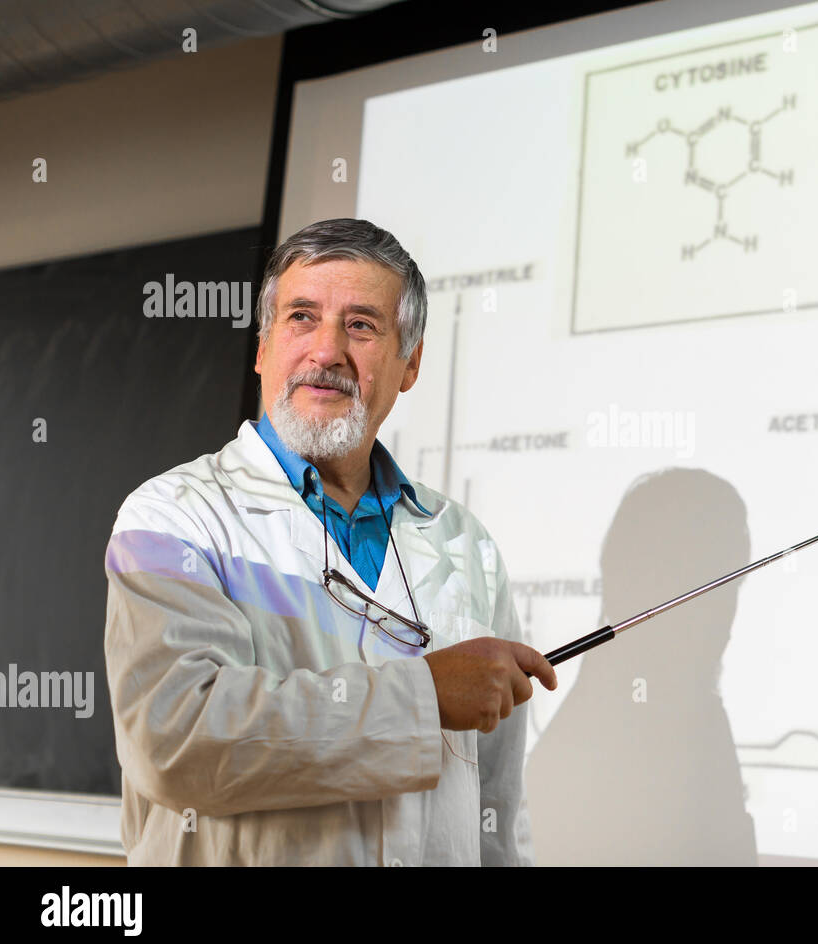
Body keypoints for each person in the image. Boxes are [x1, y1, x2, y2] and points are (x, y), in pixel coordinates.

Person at [102, 218, 556, 865]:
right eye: (301, 318)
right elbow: (175, 739)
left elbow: (498, 812)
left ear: (411, 364)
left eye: (362, 325)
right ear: (262, 348)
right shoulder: (171, 518)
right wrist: (422, 697)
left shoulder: (466, 546)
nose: (326, 351)